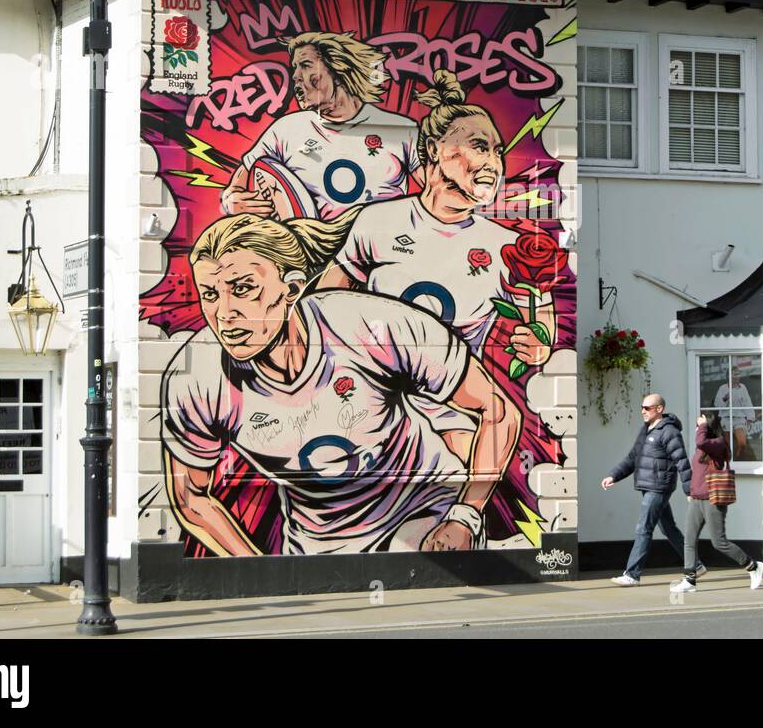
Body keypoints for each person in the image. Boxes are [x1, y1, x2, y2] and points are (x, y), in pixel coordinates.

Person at [160, 210, 521, 556]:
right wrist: (259, 567)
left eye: (243, 289)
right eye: (210, 294)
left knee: (407, 559)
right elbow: (190, 495)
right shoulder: (198, 378)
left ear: (292, 289)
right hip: (319, 544)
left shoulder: (368, 326)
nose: (224, 313)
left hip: (425, 504)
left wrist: (465, 516)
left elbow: (498, 410)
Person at [317, 70, 555, 366]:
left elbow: (541, 323)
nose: (494, 164)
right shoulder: (377, 221)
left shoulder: (507, 246)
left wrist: (538, 347)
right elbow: (323, 304)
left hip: (455, 402)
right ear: (434, 149)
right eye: (479, 147)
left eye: (498, 152)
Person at [220, 31, 419, 220]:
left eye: (305, 65)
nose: (296, 76)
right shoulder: (285, 130)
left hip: (377, 252)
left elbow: (436, 192)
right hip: (308, 253)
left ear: (338, 70)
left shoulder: (401, 129)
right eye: (294, 68)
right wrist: (231, 201)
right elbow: (235, 188)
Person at [602, 393, 695, 586]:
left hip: (659, 487)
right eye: (642, 407)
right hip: (648, 486)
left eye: (647, 408)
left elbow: (682, 461)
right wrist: (614, 475)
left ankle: (632, 574)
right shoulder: (646, 430)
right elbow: (632, 458)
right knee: (669, 529)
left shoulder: (669, 432)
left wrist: (689, 490)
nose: (642, 411)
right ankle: (696, 564)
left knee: (643, 528)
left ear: (659, 409)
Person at [670, 411, 763, 594]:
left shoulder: (718, 444)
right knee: (688, 541)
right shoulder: (704, 446)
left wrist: (703, 426)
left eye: (701, 425)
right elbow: (697, 470)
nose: (698, 428)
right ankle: (689, 579)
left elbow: (701, 441)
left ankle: (753, 566)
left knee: (719, 542)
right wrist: (690, 491)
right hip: (697, 499)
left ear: (708, 426)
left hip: (713, 499)